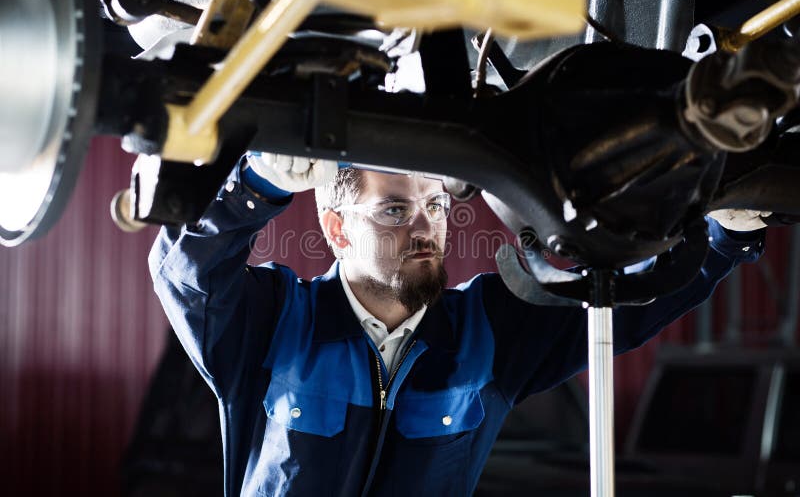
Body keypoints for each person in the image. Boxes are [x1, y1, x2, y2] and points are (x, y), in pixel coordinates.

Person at [149, 153, 767, 497]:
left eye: (436, 206)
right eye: (395, 209)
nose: (426, 228)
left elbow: (624, 307)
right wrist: (253, 185)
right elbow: (183, 271)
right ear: (336, 230)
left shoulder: (489, 332)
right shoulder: (273, 322)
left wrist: (721, 243)